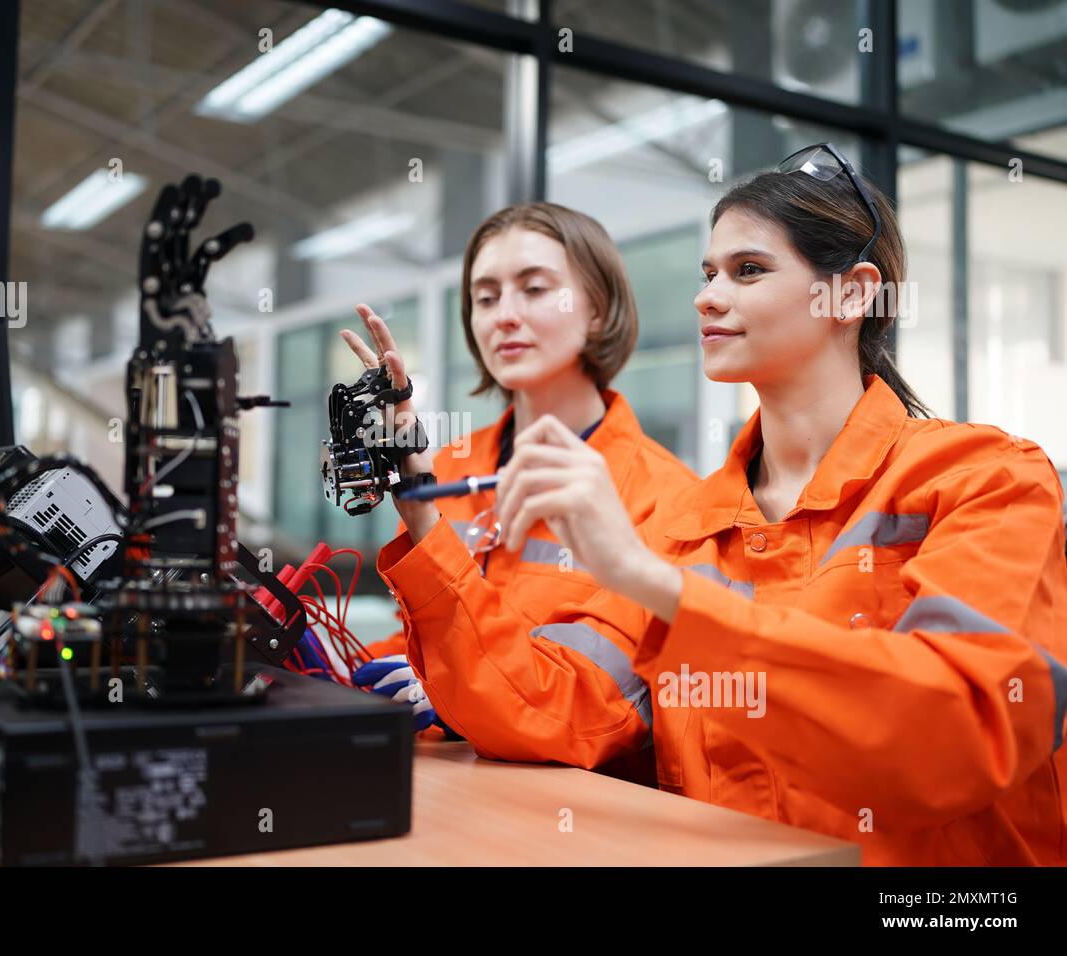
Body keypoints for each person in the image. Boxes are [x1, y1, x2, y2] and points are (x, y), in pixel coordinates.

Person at [384, 143, 1067, 865]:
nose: (708, 296)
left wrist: (650, 581)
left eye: (749, 271)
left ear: (851, 293)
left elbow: (950, 739)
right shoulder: (689, 527)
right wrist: (420, 516)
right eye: (708, 273)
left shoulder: (988, 479)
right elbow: (561, 710)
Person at [340, 202, 696, 768]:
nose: (503, 315)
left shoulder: (670, 500)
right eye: (485, 297)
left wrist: (443, 688)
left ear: (599, 311)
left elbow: (575, 715)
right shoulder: (448, 467)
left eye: (534, 289)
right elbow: (419, 647)